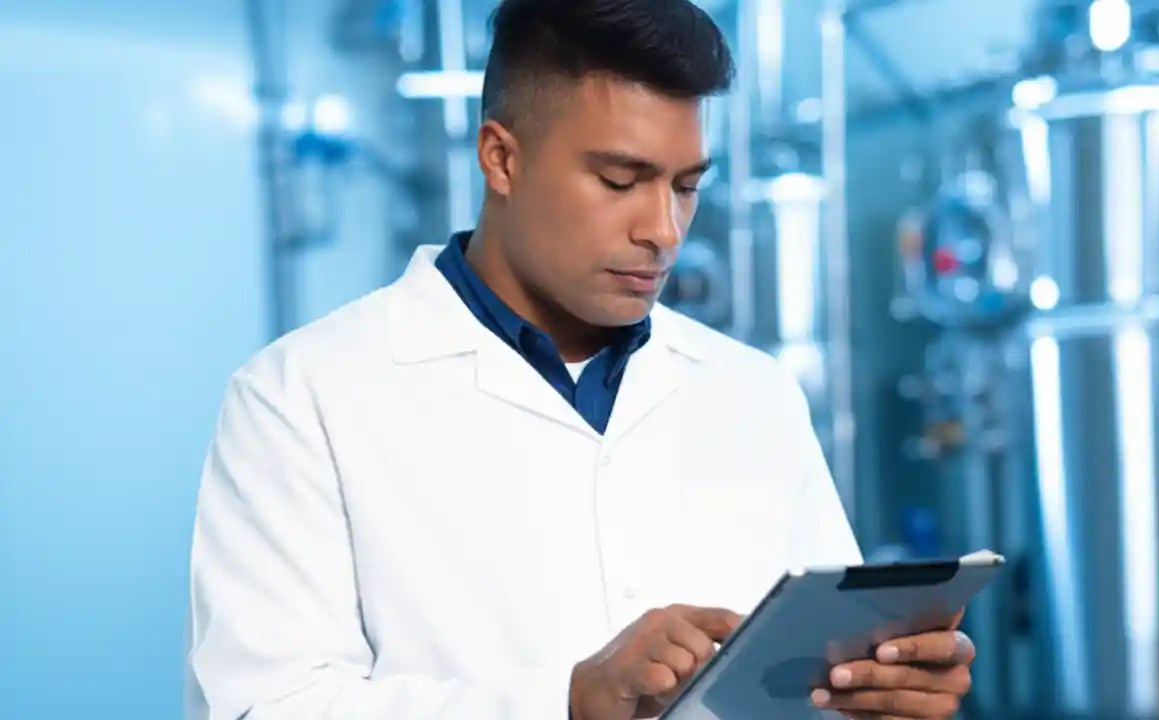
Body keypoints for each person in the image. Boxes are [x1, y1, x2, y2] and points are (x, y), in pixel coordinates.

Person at [186, 0, 975, 718]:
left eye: (686, 186)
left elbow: (816, 684)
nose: (663, 229)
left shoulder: (754, 393)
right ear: (501, 158)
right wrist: (563, 701)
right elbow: (261, 708)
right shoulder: (300, 397)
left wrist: (883, 694)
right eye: (621, 180)